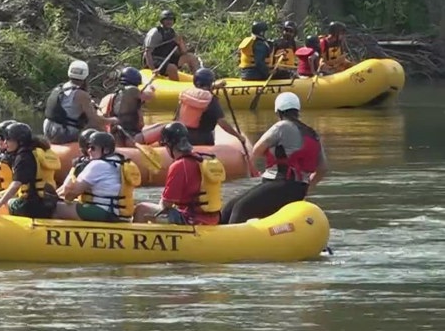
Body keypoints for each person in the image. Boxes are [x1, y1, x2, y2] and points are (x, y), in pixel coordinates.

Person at [219, 92, 327, 224]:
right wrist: (308, 187)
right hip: (299, 189)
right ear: (297, 111)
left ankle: (228, 240)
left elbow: (257, 150)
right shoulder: (313, 133)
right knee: (232, 205)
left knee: (239, 208)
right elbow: (322, 168)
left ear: (278, 112)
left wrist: (255, 165)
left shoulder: (282, 126)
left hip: (279, 185)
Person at [132, 122, 225, 225]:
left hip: (192, 220)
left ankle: (137, 239)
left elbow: (166, 204)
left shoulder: (179, 166)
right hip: (213, 218)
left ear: (170, 146)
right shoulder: (201, 159)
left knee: (141, 209)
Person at [0, 122, 70, 219]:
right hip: (46, 203)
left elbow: (15, 186)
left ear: (19, 141)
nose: (5, 142)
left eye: (9, 139)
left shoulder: (23, 158)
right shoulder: (35, 152)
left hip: (30, 206)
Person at [139, 67, 243, 147]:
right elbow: (222, 123)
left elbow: (176, 118)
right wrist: (239, 137)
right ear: (210, 83)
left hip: (181, 135)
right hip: (201, 139)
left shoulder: (186, 94)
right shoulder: (211, 99)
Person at [57, 131, 141, 222]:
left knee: (57, 207)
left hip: (105, 213)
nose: (89, 151)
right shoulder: (119, 162)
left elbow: (71, 194)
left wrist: (75, 173)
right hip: (120, 215)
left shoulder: (97, 165)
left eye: (93, 148)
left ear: (106, 150)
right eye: (89, 147)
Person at [43, 60, 116, 145]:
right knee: (95, 128)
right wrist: (112, 120)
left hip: (48, 129)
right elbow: (95, 120)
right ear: (85, 76)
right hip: (62, 133)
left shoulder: (60, 88)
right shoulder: (82, 94)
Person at [98, 66, 151, 145]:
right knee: (162, 127)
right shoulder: (133, 90)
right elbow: (149, 96)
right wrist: (151, 86)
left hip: (117, 136)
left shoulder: (115, 95)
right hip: (131, 137)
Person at [143, 9, 198, 80]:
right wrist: (153, 69)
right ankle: (176, 87)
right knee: (172, 67)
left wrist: (180, 43)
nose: (169, 22)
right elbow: (147, 53)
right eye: (166, 20)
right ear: (162, 21)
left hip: (166, 58)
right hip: (154, 59)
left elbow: (183, 52)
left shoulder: (173, 33)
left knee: (191, 57)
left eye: (171, 20)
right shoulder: (155, 33)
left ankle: (198, 80)